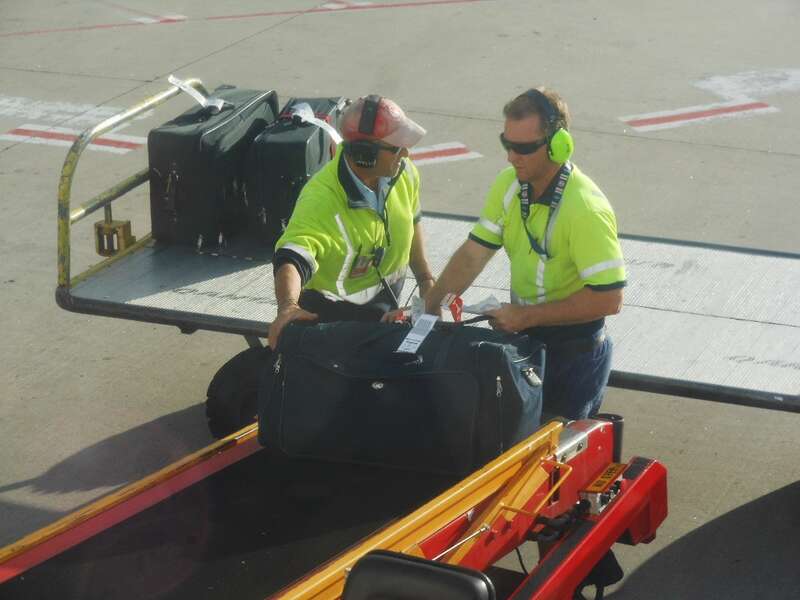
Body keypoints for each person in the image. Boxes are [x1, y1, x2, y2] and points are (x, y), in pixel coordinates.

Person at [424, 88, 626, 420]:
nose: (511, 157)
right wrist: (430, 307)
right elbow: (474, 253)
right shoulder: (509, 185)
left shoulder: (585, 209)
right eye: (507, 144)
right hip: (528, 342)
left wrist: (526, 316)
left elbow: (609, 300)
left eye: (523, 148)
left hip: (574, 359)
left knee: (553, 460)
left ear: (559, 146)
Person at [269, 95, 435, 350]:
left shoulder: (404, 172)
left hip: (385, 306)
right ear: (365, 155)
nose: (405, 153)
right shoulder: (322, 198)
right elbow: (292, 255)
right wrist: (288, 307)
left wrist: (425, 280)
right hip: (332, 319)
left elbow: (412, 222)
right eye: (396, 147)